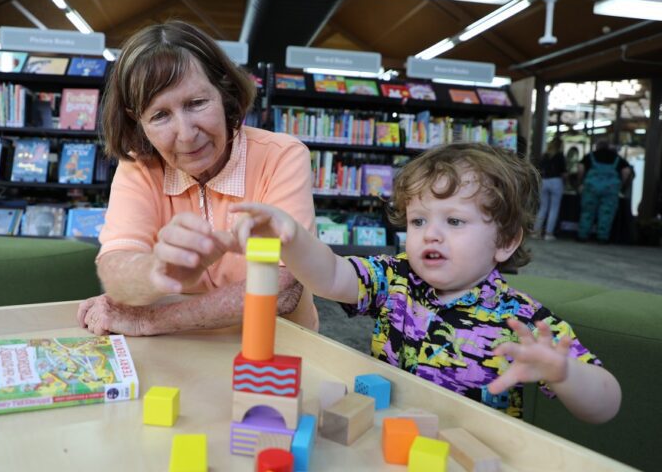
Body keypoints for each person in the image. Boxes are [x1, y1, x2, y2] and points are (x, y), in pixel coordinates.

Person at [231, 142, 621, 423]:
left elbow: (606, 403)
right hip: (386, 437)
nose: (430, 234)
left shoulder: (522, 321)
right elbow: (331, 276)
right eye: (418, 221)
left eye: (453, 221)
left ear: (505, 241)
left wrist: (564, 373)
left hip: (471, 454)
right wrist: (293, 237)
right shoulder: (396, 278)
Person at [77, 20, 318, 336]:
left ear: (224, 92)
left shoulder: (282, 156)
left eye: (196, 103)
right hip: (183, 347)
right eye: (160, 116)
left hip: (278, 350)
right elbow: (116, 267)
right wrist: (157, 270)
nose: (187, 135)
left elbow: (283, 287)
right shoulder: (138, 168)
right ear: (138, 122)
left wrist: (150, 319)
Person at [577, 140, 632, 243]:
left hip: (591, 188)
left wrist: (580, 182)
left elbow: (580, 169)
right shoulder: (617, 158)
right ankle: (602, 238)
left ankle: (582, 235)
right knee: (606, 213)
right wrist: (621, 186)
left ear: (597, 147)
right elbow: (626, 171)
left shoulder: (590, 156)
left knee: (587, 212)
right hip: (610, 189)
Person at [533, 137, 567, 240]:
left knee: (542, 208)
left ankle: (536, 232)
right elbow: (564, 173)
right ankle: (548, 233)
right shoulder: (560, 156)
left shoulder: (545, 156)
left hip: (544, 181)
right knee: (554, 208)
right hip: (556, 181)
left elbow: (539, 169)